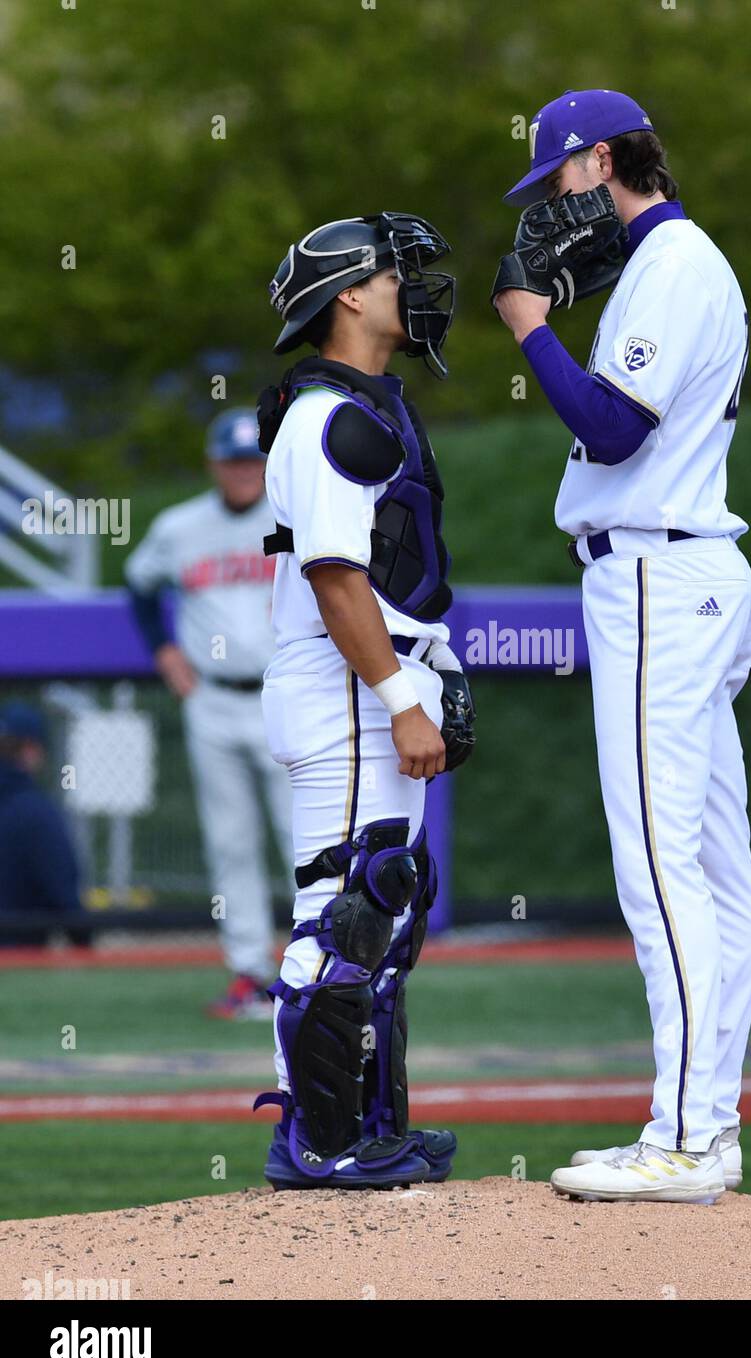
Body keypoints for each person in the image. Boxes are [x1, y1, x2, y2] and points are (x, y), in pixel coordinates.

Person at [493, 89, 751, 1203]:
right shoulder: (673, 263)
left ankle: (690, 1137)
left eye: (559, 178)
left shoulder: (672, 263)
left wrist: (528, 327)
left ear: (602, 160)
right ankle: (697, 1124)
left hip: (657, 574)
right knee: (710, 874)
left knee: (659, 870)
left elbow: (611, 426)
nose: (554, 205)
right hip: (679, 570)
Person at [252, 213, 475, 1190]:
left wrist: (436, 673)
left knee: (389, 908)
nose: (412, 287)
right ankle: (318, 1138)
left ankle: (367, 1124)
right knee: (348, 903)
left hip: (372, 678)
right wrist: (398, 695)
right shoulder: (325, 417)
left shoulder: (370, 405)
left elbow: (391, 575)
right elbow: (335, 576)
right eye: (395, 272)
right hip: (341, 687)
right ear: (348, 292)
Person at [125, 409, 294, 1018]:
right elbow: (139, 585)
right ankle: (250, 972)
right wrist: (165, 652)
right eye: (233, 461)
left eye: (252, 460)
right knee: (231, 842)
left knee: (302, 838)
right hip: (213, 700)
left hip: (283, 696)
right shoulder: (179, 527)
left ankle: (316, 973)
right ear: (212, 465)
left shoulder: (293, 513)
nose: (243, 471)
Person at [0, 702, 88, 947]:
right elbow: (63, 895)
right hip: (16, 962)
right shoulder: (35, 813)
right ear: (31, 749)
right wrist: (85, 945)